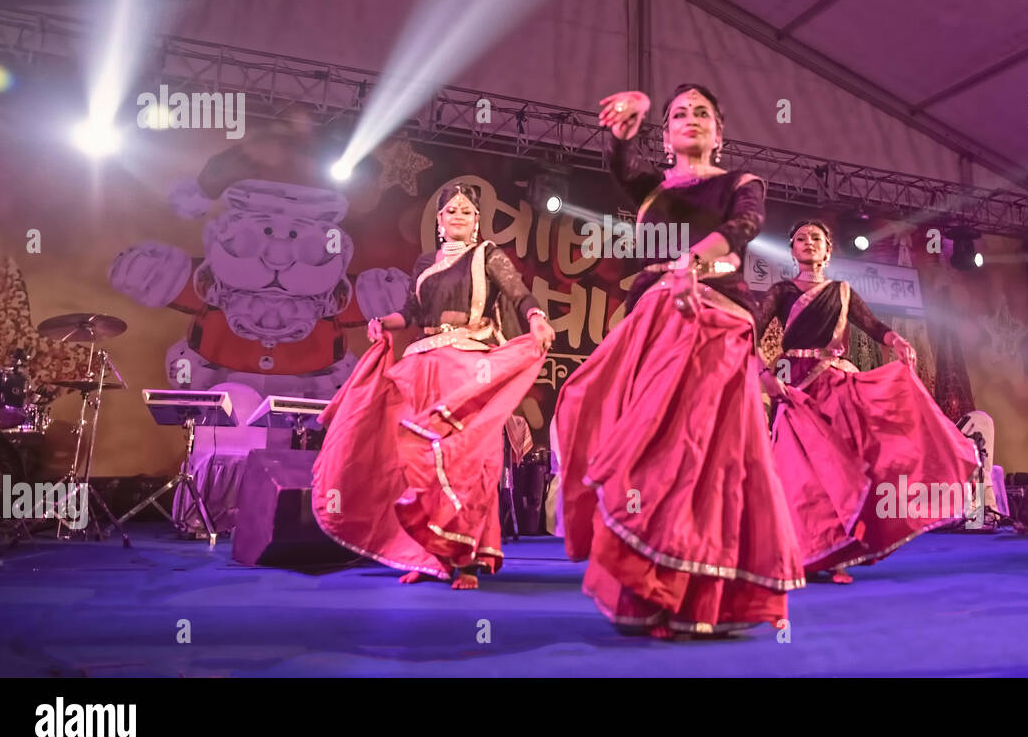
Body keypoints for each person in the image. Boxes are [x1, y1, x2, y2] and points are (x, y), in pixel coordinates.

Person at [553, 84, 804, 637]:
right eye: (678, 115)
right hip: (650, 323)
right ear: (664, 137)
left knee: (695, 453)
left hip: (713, 318)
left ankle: (697, 596)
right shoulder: (651, 187)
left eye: (702, 114)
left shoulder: (740, 184)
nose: (691, 120)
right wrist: (623, 129)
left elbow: (744, 229)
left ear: (719, 132)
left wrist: (692, 260)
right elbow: (621, 162)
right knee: (610, 425)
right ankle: (647, 588)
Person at [312, 183, 555, 589]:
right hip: (424, 364)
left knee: (467, 461)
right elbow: (409, 313)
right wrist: (382, 322)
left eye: (466, 211)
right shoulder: (427, 262)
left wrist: (536, 319)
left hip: (468, 365)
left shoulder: (489, 255)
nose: (457, 216)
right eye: (450, 211)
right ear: (439, 221)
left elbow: (519, 293)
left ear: (477, 221)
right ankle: (428, 555)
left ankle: (467, 561)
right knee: (418, 458)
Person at [759, 220, 979, 582]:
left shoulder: (842, 290)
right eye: (800, 238)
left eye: (816, 238)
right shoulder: (781, 290)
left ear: (828, 250)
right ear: (792, 249)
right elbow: (748, 328)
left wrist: (896, 341)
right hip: (794, 388)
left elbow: (872, 324)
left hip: (835, 384)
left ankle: (837, 554)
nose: (808, 243)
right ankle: (801, 551)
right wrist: (762, 375)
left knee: (841, 471)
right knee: (799, 475)